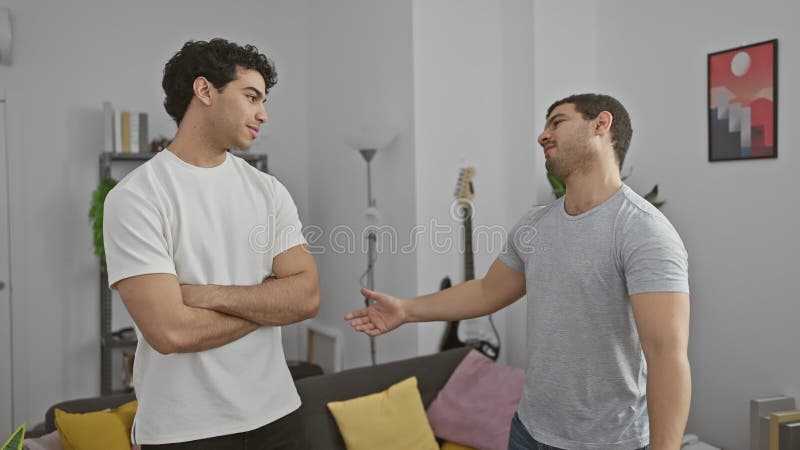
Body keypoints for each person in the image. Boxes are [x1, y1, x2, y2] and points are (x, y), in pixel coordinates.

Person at [346, 93, 690, 450]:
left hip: (605, 442)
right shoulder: (536, 224)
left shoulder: (643, 230)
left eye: (557, 122)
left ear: (601, 125)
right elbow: (486, 292)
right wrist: (406, 309)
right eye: (544, 126)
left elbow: (667, 356)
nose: (543, 135)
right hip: (528, 431)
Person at [103, 38, 320, 449]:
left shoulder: (269, 191)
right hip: (185, 431)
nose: (264, 114)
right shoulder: (136, 197)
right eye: (251, 96)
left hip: (278, 416)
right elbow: (171, 332)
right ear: (205, 91)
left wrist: (206, 296)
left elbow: (306, 297)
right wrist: (270, 305)